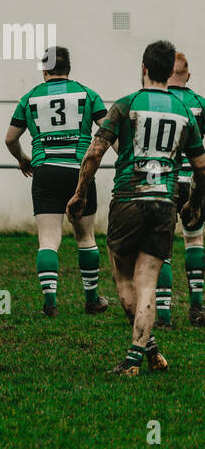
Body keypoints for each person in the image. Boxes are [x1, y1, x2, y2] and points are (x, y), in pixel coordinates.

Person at [67, 40, 205, 375]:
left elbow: (95, 152)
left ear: (144, 68)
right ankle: (147, 347)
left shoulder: (127, 104)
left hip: (129, 198)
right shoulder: (185, 111)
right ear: (168, 69)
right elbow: (201, 166)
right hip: (165, 201)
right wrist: (193, 204)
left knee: (123, 276)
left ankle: (133, 359)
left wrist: (79, 194)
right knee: (148, 280)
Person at [4, 46, 110, 316]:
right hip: (80, 173)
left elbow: (10, 138)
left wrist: (23, 158)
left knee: (48, 240)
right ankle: (92, 299)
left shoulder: (29, 98)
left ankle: (50, 302)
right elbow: (109, 131)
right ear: (69, 68)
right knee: (85, 237)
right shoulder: (88, 94)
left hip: (45, 172)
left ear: (44, 69)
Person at [166, 51, 205, 325]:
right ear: (188, 76)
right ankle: (196, 307)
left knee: (160, 248)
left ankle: (163, 313)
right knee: (194, 240)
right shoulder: (200, 103)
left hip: (164, 180)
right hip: (194, 181)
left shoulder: (154, 101)